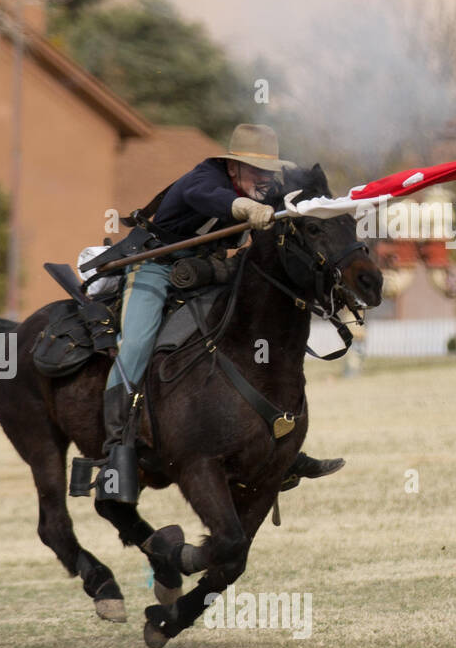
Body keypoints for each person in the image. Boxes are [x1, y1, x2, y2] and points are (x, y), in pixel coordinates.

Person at [98, 123, 344, 503]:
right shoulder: (204, 179)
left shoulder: (262, 191)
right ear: (232, 167)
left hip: (209, 269)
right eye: (256, 170)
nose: (265, 178)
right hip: (156, 266)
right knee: (136, 345)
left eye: (269, 171)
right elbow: (212, 199)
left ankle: (278, 449)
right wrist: (248, 209)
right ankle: (117, 447)